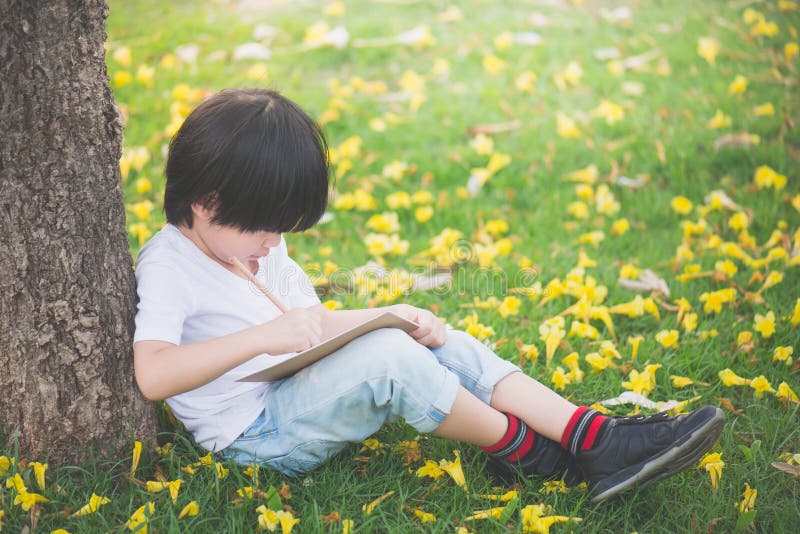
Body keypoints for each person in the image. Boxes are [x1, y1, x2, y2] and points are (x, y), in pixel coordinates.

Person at [133, 88, 725, 503]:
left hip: (289, 385)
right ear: (206, 201)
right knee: (388, 363)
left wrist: (393, 315)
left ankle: (591, 436)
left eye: (283, 227)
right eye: (263, 226)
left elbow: (310, 325)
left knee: (420, 340)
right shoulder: (170, 265)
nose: (273, 241)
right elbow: (153, 375)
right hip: (258, 436)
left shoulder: (251, 246)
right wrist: (262, 338)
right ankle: (533, 457)